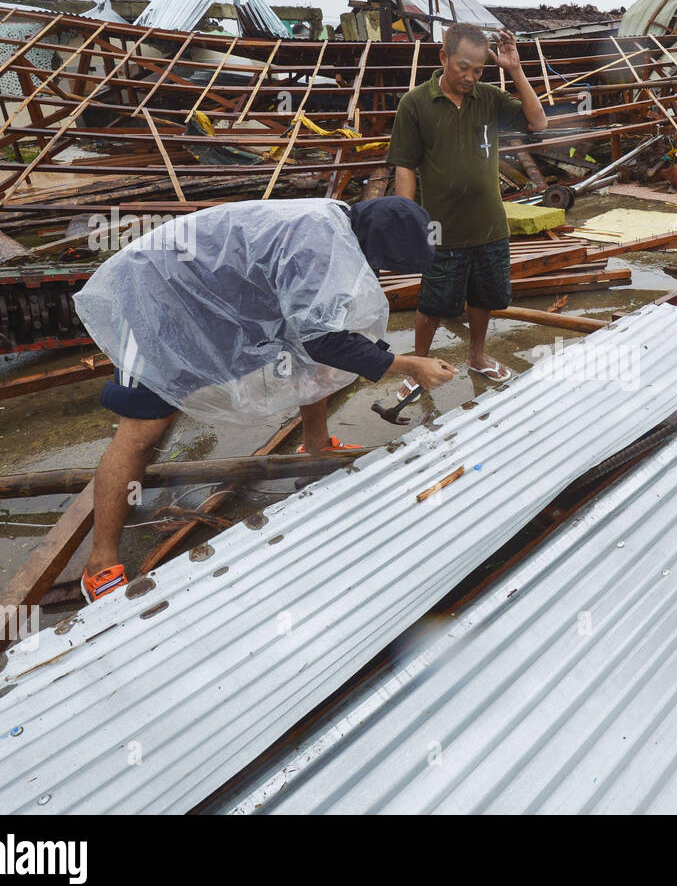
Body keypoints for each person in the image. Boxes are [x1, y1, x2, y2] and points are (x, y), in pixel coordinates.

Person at [71, 196, 457, 604]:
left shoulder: (347, 227)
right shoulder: (318, 241)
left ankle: (317, 444)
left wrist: (381, 354)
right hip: (152, 289)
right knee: (144, 425)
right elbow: (325, 340)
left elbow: (327, 325)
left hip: (214, 286)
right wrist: (408, 364)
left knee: (311, 361)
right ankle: (100, 564)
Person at [386, 22, 548, 400]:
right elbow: (405, 167)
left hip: (489, 225)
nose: (470, 77)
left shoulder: (489, 98)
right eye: (463, 67)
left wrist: (516, 71)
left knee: (483, 299)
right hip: (440, 229)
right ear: (443, 57)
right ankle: (417, 367)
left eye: (478, 70)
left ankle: (477, 356)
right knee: (432, 303)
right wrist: (409, 221)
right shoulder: (415, 104)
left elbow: (538, 122)